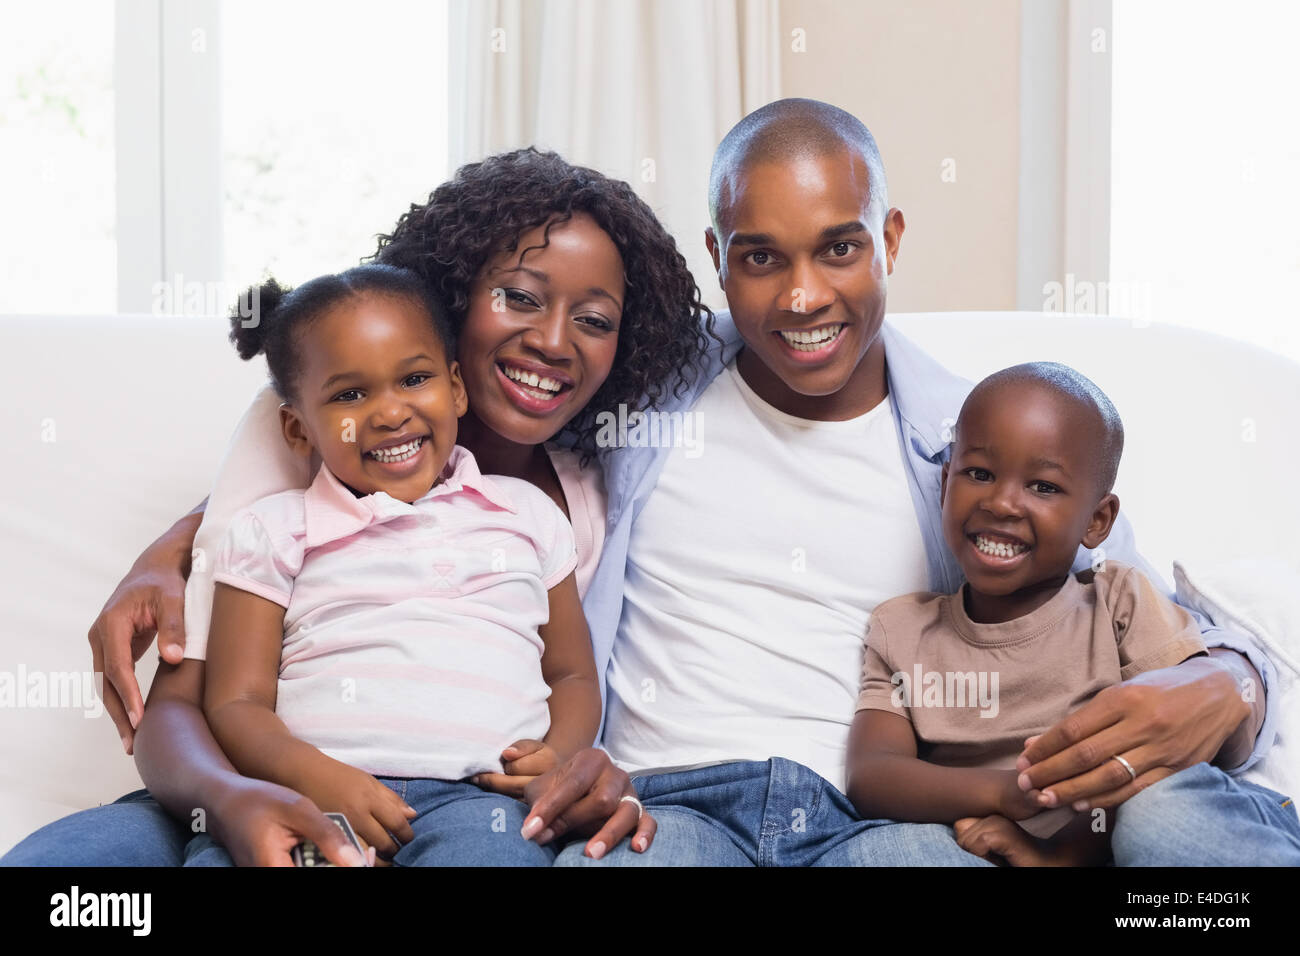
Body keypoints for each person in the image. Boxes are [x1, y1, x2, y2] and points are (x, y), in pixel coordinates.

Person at [537, 98, 1277, 866]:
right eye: (761, 258)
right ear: (717, 256)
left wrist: (1231, 683)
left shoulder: (981, 441)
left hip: (881, 823)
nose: (803, 297)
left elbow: (1168, 622)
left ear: (889, 240)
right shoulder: (637, 384)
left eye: (838, 250)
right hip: (664, 805)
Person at [5, 147, 706, 865]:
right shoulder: (291, 474)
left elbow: (570, 680)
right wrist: (179, 545)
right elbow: (198, 697)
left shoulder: (573, 502)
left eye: (594, 318)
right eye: (520, 297)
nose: (553, 340)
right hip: (244, 789)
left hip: (467, 802)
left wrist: (563, 760)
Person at [190, 263, 608, 866]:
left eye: (414, 378)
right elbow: (236, 701)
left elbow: (571, 673)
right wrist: (318, 779)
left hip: (480, 801)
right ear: (297, 428)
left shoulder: (526, 515)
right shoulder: (275, 530)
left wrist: (559, 756)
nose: (389, 414)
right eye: (349, 395)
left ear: (456, 387)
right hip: (318, 797)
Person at [848, 362, 1300, 866]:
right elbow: (873, 775)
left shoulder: (1117, 602)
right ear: (944, 484)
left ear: (1097, 520)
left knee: (1163, 820)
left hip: (1165, 826)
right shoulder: (902, 630)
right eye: (979, 474)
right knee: (879, 854)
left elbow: (1173, 755)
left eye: (1042, 486)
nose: (1001, 503)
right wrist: (1005, 793)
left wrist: (1060, 853)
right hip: (1005, 845)